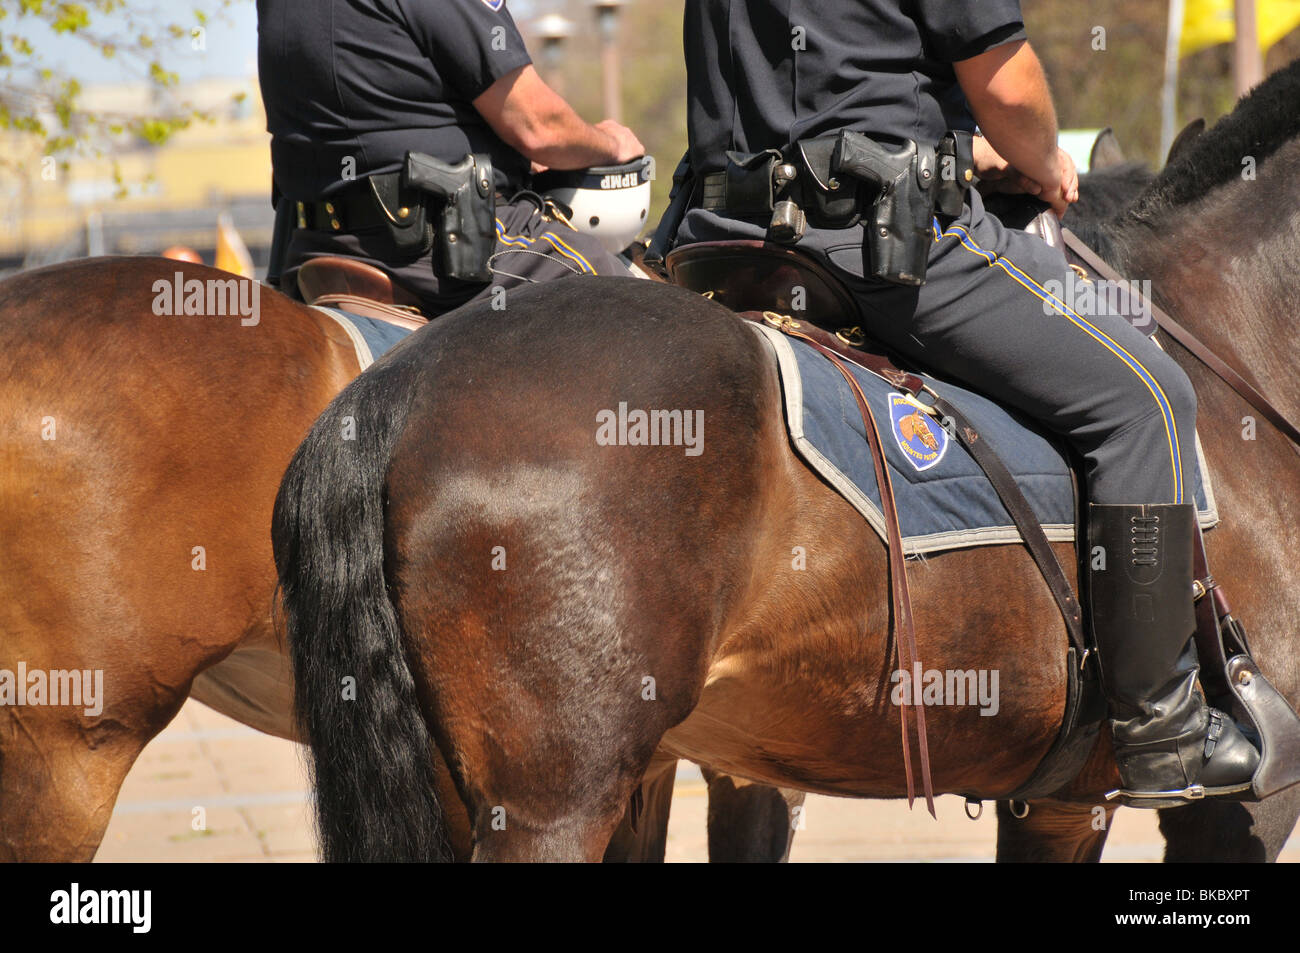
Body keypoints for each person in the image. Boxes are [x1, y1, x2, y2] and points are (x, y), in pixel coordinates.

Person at [670, 0, 1260, 804]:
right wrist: (1043, 158)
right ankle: (1163, 728)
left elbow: (812, 91)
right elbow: (1009, 86)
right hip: (878, 245)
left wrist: (963, 151)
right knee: (1150, 398)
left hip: (723, 237)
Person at [256, 0, 644, 316]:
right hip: (440, 254)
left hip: (317, 246)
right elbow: (539, 126)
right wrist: (610, 143)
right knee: (642, 310)